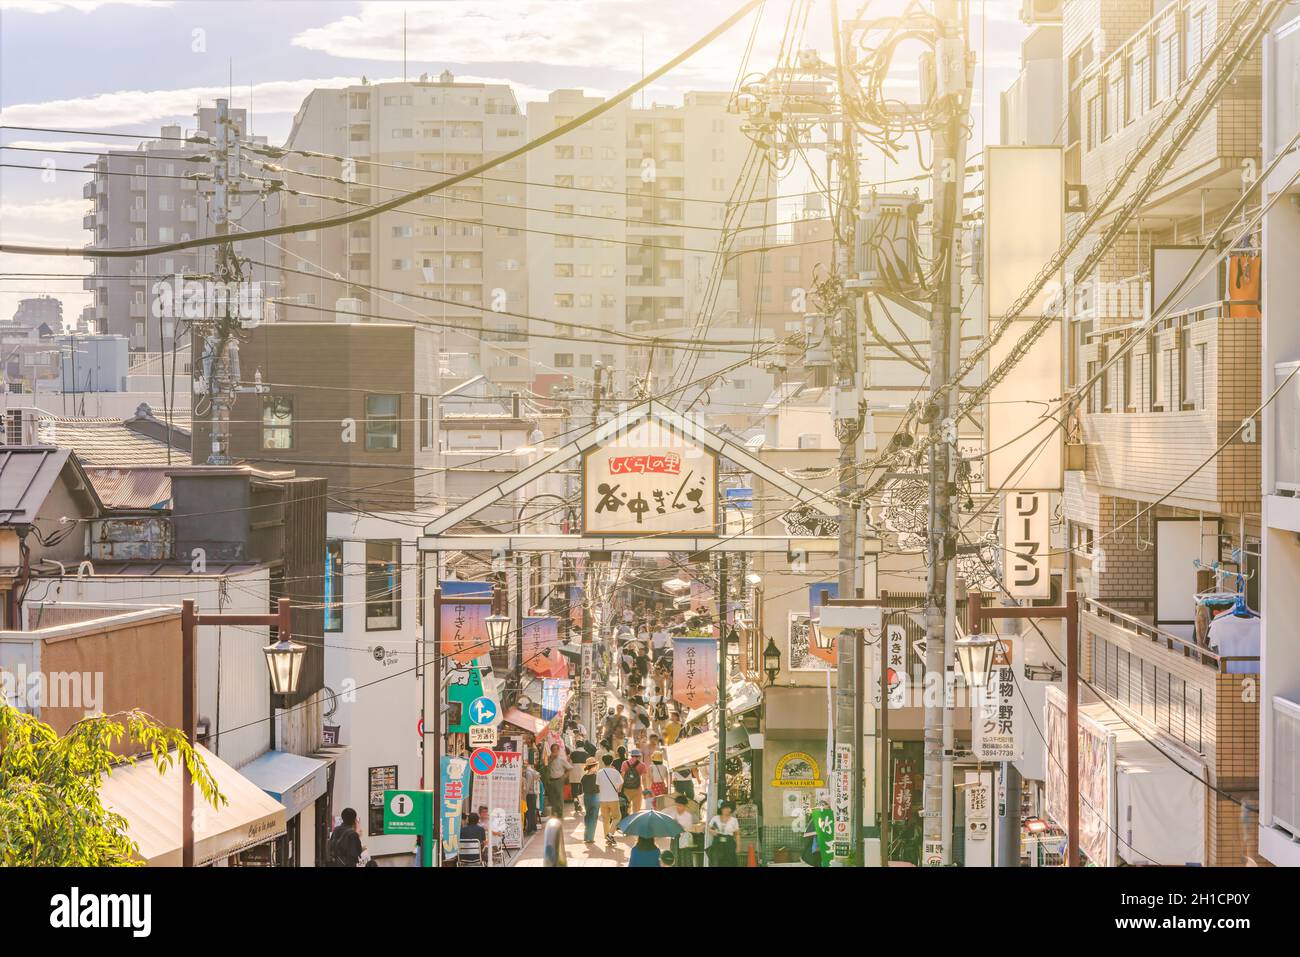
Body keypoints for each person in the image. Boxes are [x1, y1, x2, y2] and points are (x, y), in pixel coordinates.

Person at [596, 753, 624, 848]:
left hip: (603, 799)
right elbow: (621, 783)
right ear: (612, 761)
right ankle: (610, 834)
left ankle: (606, 836)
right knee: (617, 817)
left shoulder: (599, 772)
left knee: (605, 819)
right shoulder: (615, 772)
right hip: (613, 798)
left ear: (603, 762)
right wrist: (618, 789)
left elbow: (598, 785)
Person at [543, 742, 572, 819]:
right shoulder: (549, 759)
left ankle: (560, 814)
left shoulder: (561, 760)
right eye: (553, 750)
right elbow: (545, 766)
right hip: (550, 780)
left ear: (558, 750)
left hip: (559, 780)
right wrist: (551, 759)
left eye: (556, 750)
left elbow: (569, 768)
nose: (554, 751)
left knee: (559, 797)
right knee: (552, 798)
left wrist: (565, 776)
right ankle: (554, 813)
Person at [708, 801, 740, 867]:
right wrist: (711, 831)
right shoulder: (715, 818)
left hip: (729, 842)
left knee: (730, 862)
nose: (727, 810)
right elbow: (708, 827)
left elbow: (737, 834)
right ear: (721, 809)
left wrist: (738, 846)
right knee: (716, 862)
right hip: (717, 842)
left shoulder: (734, 820)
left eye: (729, 808)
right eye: (725, 808)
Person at [580, 757, 601, 844]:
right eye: (595, 765)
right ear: (593, 766)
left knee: (588, 815)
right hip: (595, 797)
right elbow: (599, 788)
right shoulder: (596, 776)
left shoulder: (584, 777)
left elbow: (581, 789)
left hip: (586, 797)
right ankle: (590, 837)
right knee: (593, 817)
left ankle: (586, 836)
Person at [671, 794, 696, 867]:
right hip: (675, 838)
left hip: (684, 839)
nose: (678, 807)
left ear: (684, 806)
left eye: (680, 805)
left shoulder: (688, 815)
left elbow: (688, 828)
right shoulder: (673, 814)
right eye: (677, 805)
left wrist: (678, 825)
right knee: (675, 857)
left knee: (685, 858)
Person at [620, 748, 647, 815]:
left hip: (627, 789)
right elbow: (644, 778)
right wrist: (645, 788)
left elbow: (622, 777)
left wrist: (620, 788)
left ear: (631, 755)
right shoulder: (642, 765)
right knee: (636, 810)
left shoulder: (624, 763)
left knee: (627, 808)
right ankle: (635, 822)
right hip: (637, 788)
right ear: (639, 756)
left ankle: (627, 823)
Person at [522, 760, 541, 835]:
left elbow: (527, 786)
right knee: (532, 812)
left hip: (529, 794)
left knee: (529, 812)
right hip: (533, 794)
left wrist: (524, 796)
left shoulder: (528, 773)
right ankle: (532, 828)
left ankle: (530, 828)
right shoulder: (532, 772)